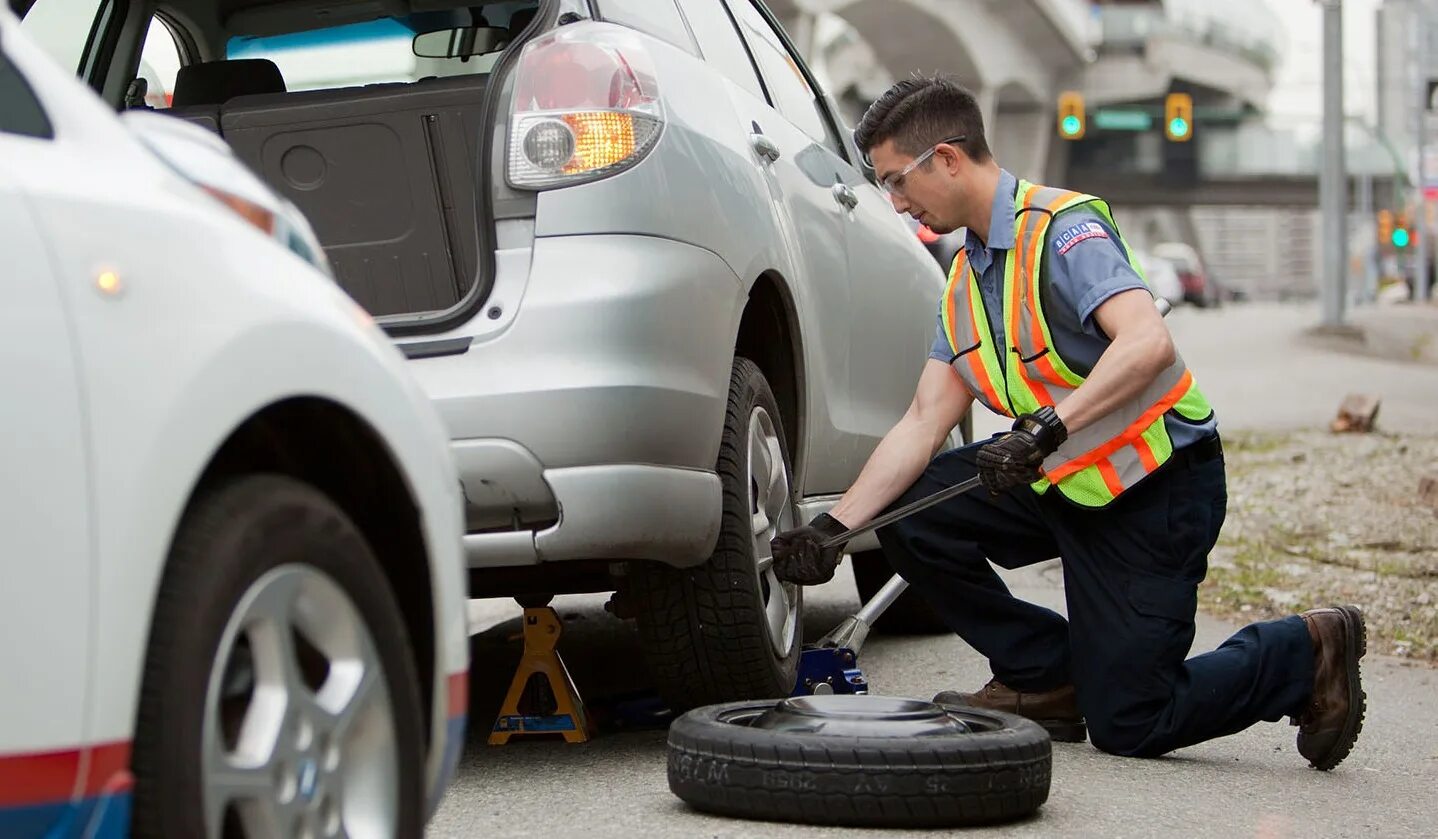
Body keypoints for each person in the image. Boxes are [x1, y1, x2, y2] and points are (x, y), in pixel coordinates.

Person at [770, 77, 1365, 770]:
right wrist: (836, 528)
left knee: (1134, 719)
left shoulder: (1065, 229)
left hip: (1155, 489)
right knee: (908, 512)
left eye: (899, 180)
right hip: (1063, 480)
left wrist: (1046, 428)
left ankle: (1307, 649)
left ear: (950, 159)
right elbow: (924, 420)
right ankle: (1044, 672)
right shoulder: (966, 279)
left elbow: (1147, 341)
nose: (898, 202)